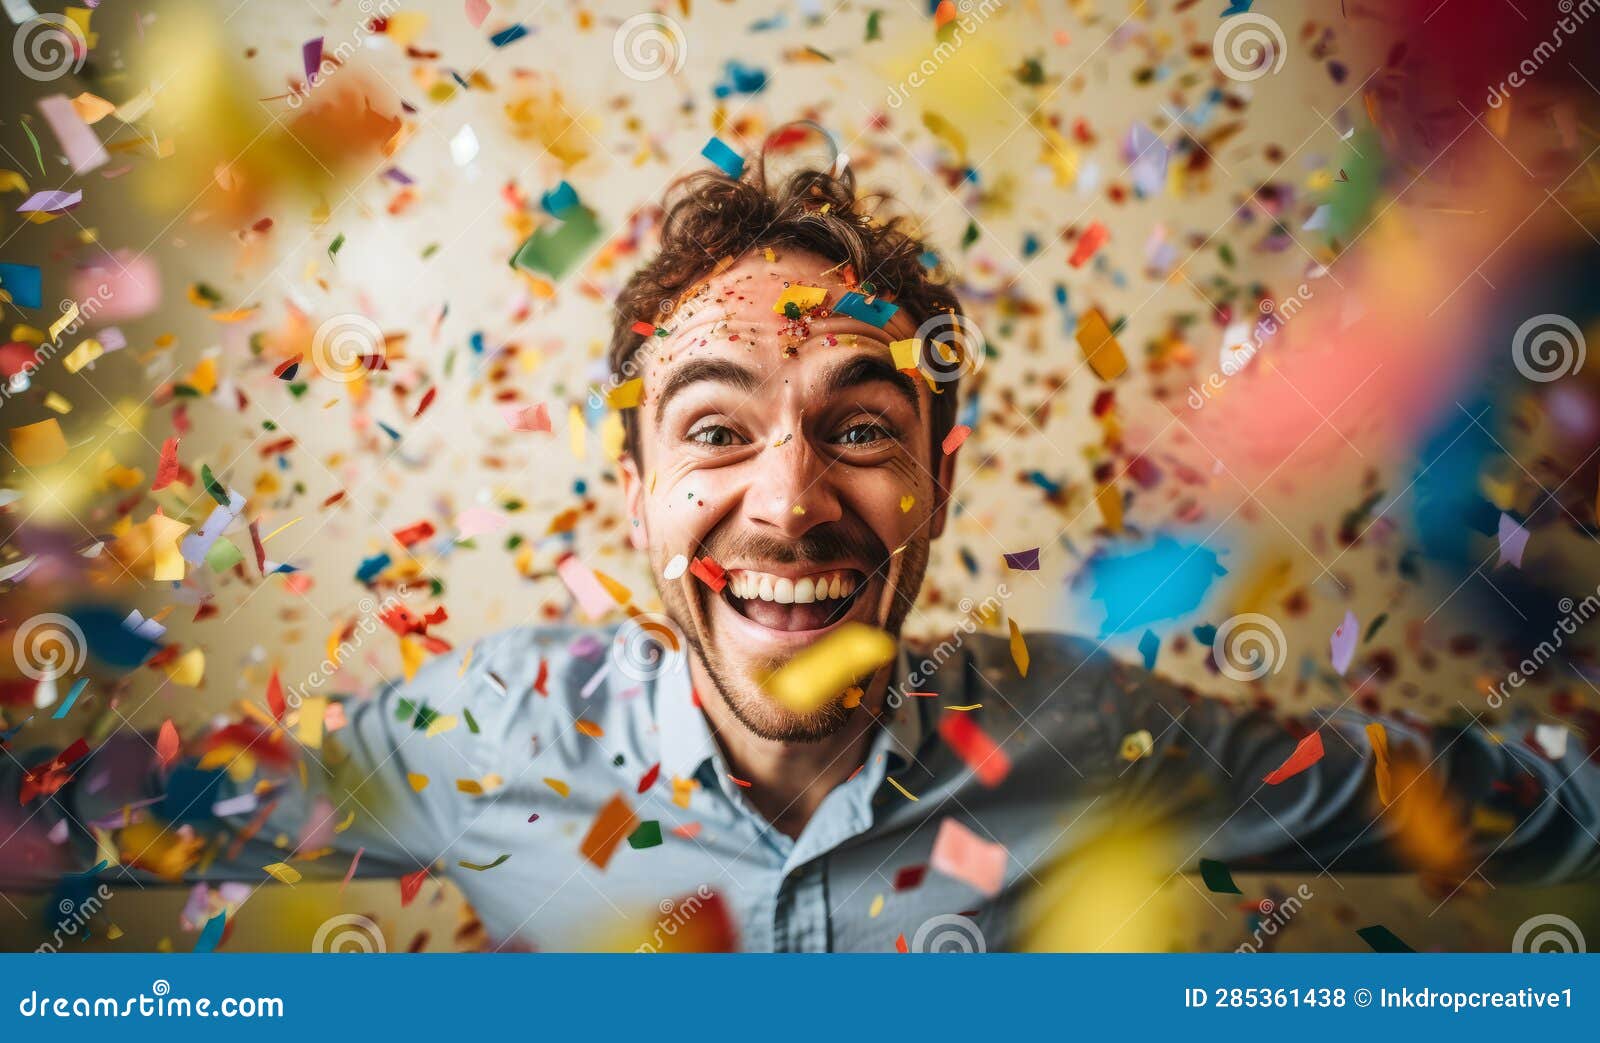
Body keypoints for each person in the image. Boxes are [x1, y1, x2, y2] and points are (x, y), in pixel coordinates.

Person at [4, 130, 1597, 953]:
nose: (786, 502)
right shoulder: (479, 734)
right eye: (715, 430)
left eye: (859, 429)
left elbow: (1502, 814)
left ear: (937, 483)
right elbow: (144, 815)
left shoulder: (1090, 728)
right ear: (634, 487)